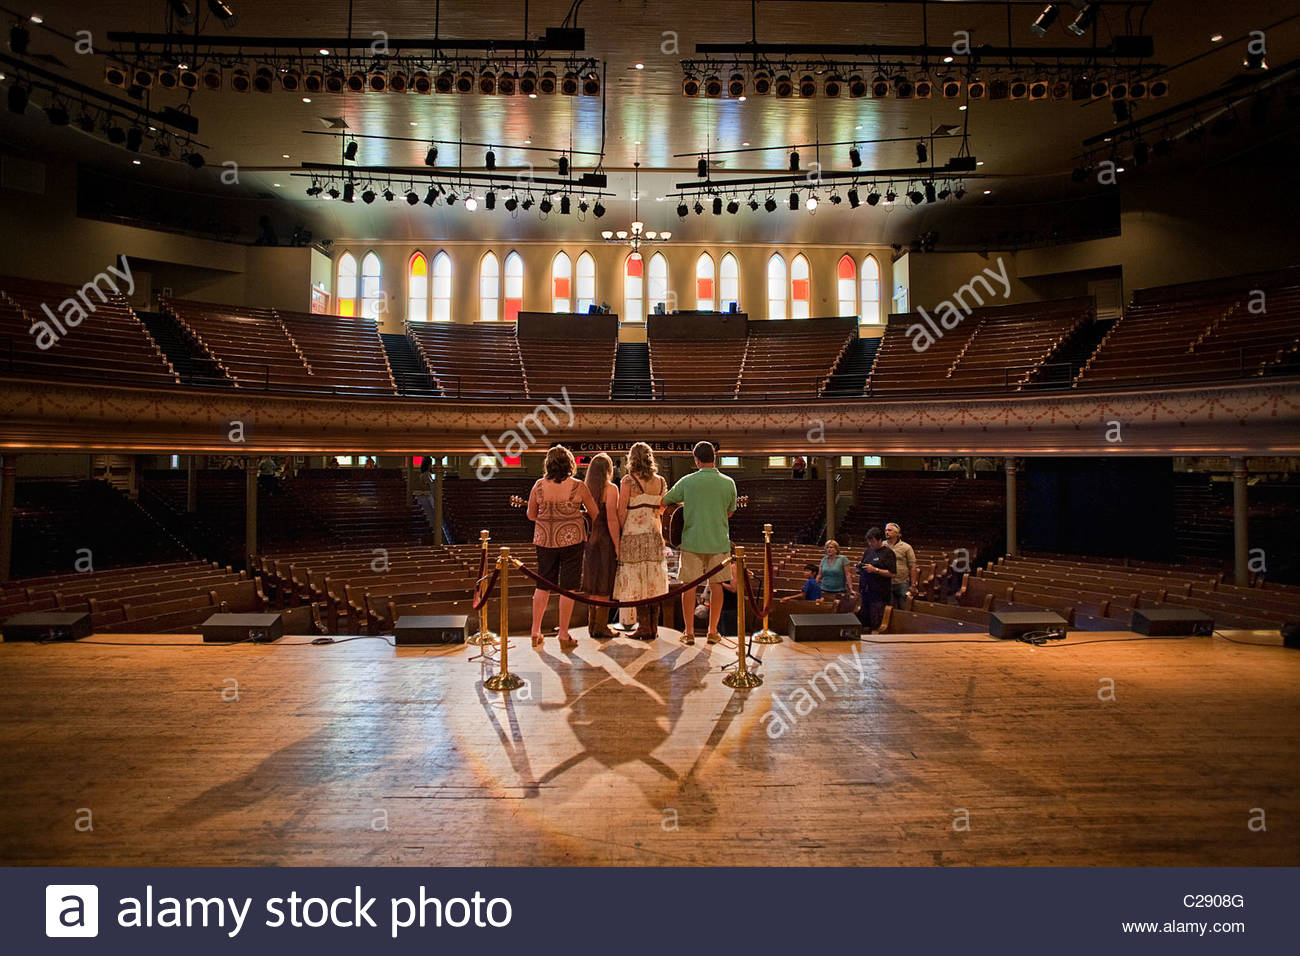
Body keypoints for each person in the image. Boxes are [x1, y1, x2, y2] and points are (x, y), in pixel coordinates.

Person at [662, 440, 737, 646]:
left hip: (692, 542)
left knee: (688, 587)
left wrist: (684, 506)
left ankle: (689, 632)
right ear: (714, 458)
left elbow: (665, 501)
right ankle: (713, 632)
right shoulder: (728, 482)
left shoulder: (687, 481)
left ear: (696, 460)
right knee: (717, 586)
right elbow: (730, 512)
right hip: (718, 542)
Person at [526, 444, 600, 648]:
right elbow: (595, 513)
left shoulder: (539, 485)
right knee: (568, 587)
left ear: (548, 464)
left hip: (545, 541)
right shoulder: (578, 486)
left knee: (543, 584)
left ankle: (535, 631)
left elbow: (531, 515)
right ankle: (564, 633)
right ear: (570, 464)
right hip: (572, 541)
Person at [613, 441, 669, 640]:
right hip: (654, 534)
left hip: (633, 535)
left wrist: (618, 534)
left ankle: (644, 627)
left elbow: (621, 511)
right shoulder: (660, 481)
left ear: (632, 459)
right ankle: (653, 627)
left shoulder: (628, 481)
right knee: (654, 582)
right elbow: (662, 509)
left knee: (638, 582)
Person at [580, 452, 621, 640]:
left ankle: (592, 625)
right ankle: (601, 626)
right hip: (605, 540)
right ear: (608, 470)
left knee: (593, 583)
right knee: (604, 584)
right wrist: (618, 546)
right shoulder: (611, 489)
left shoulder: (586, 488)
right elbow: (612, 519)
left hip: (590, 540)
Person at [856, 527, 897, 632]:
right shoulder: (868, 551)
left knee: (876, 621)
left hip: (879, 593)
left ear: (880, 540)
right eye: (869, 541)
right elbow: (865, 564)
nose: (870, 543)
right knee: (864, 620)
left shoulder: (888, 553)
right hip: (866, 591)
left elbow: (892, 573)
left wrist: (875, 570)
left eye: (872, 541)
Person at [883, 522, 918, 609]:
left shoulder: (906, 547)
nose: (887, 532)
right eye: (886, 530)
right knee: (888, 608)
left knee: (903, 607)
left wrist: (913, 585)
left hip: (902, 582)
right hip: (886, 582)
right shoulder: (882, 545)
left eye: (890, 530)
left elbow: (912, 566)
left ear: (897, 534)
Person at [816, 539, 854, 609]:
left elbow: (848, 575)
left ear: (836, 549)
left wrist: (851, 588)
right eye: (827, 547)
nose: (829, 549)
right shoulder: (823, 559)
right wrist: (815, 586)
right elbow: (819, 575)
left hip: (839, 591)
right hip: (824, 590)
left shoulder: (843, 559)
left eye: (831, 547)